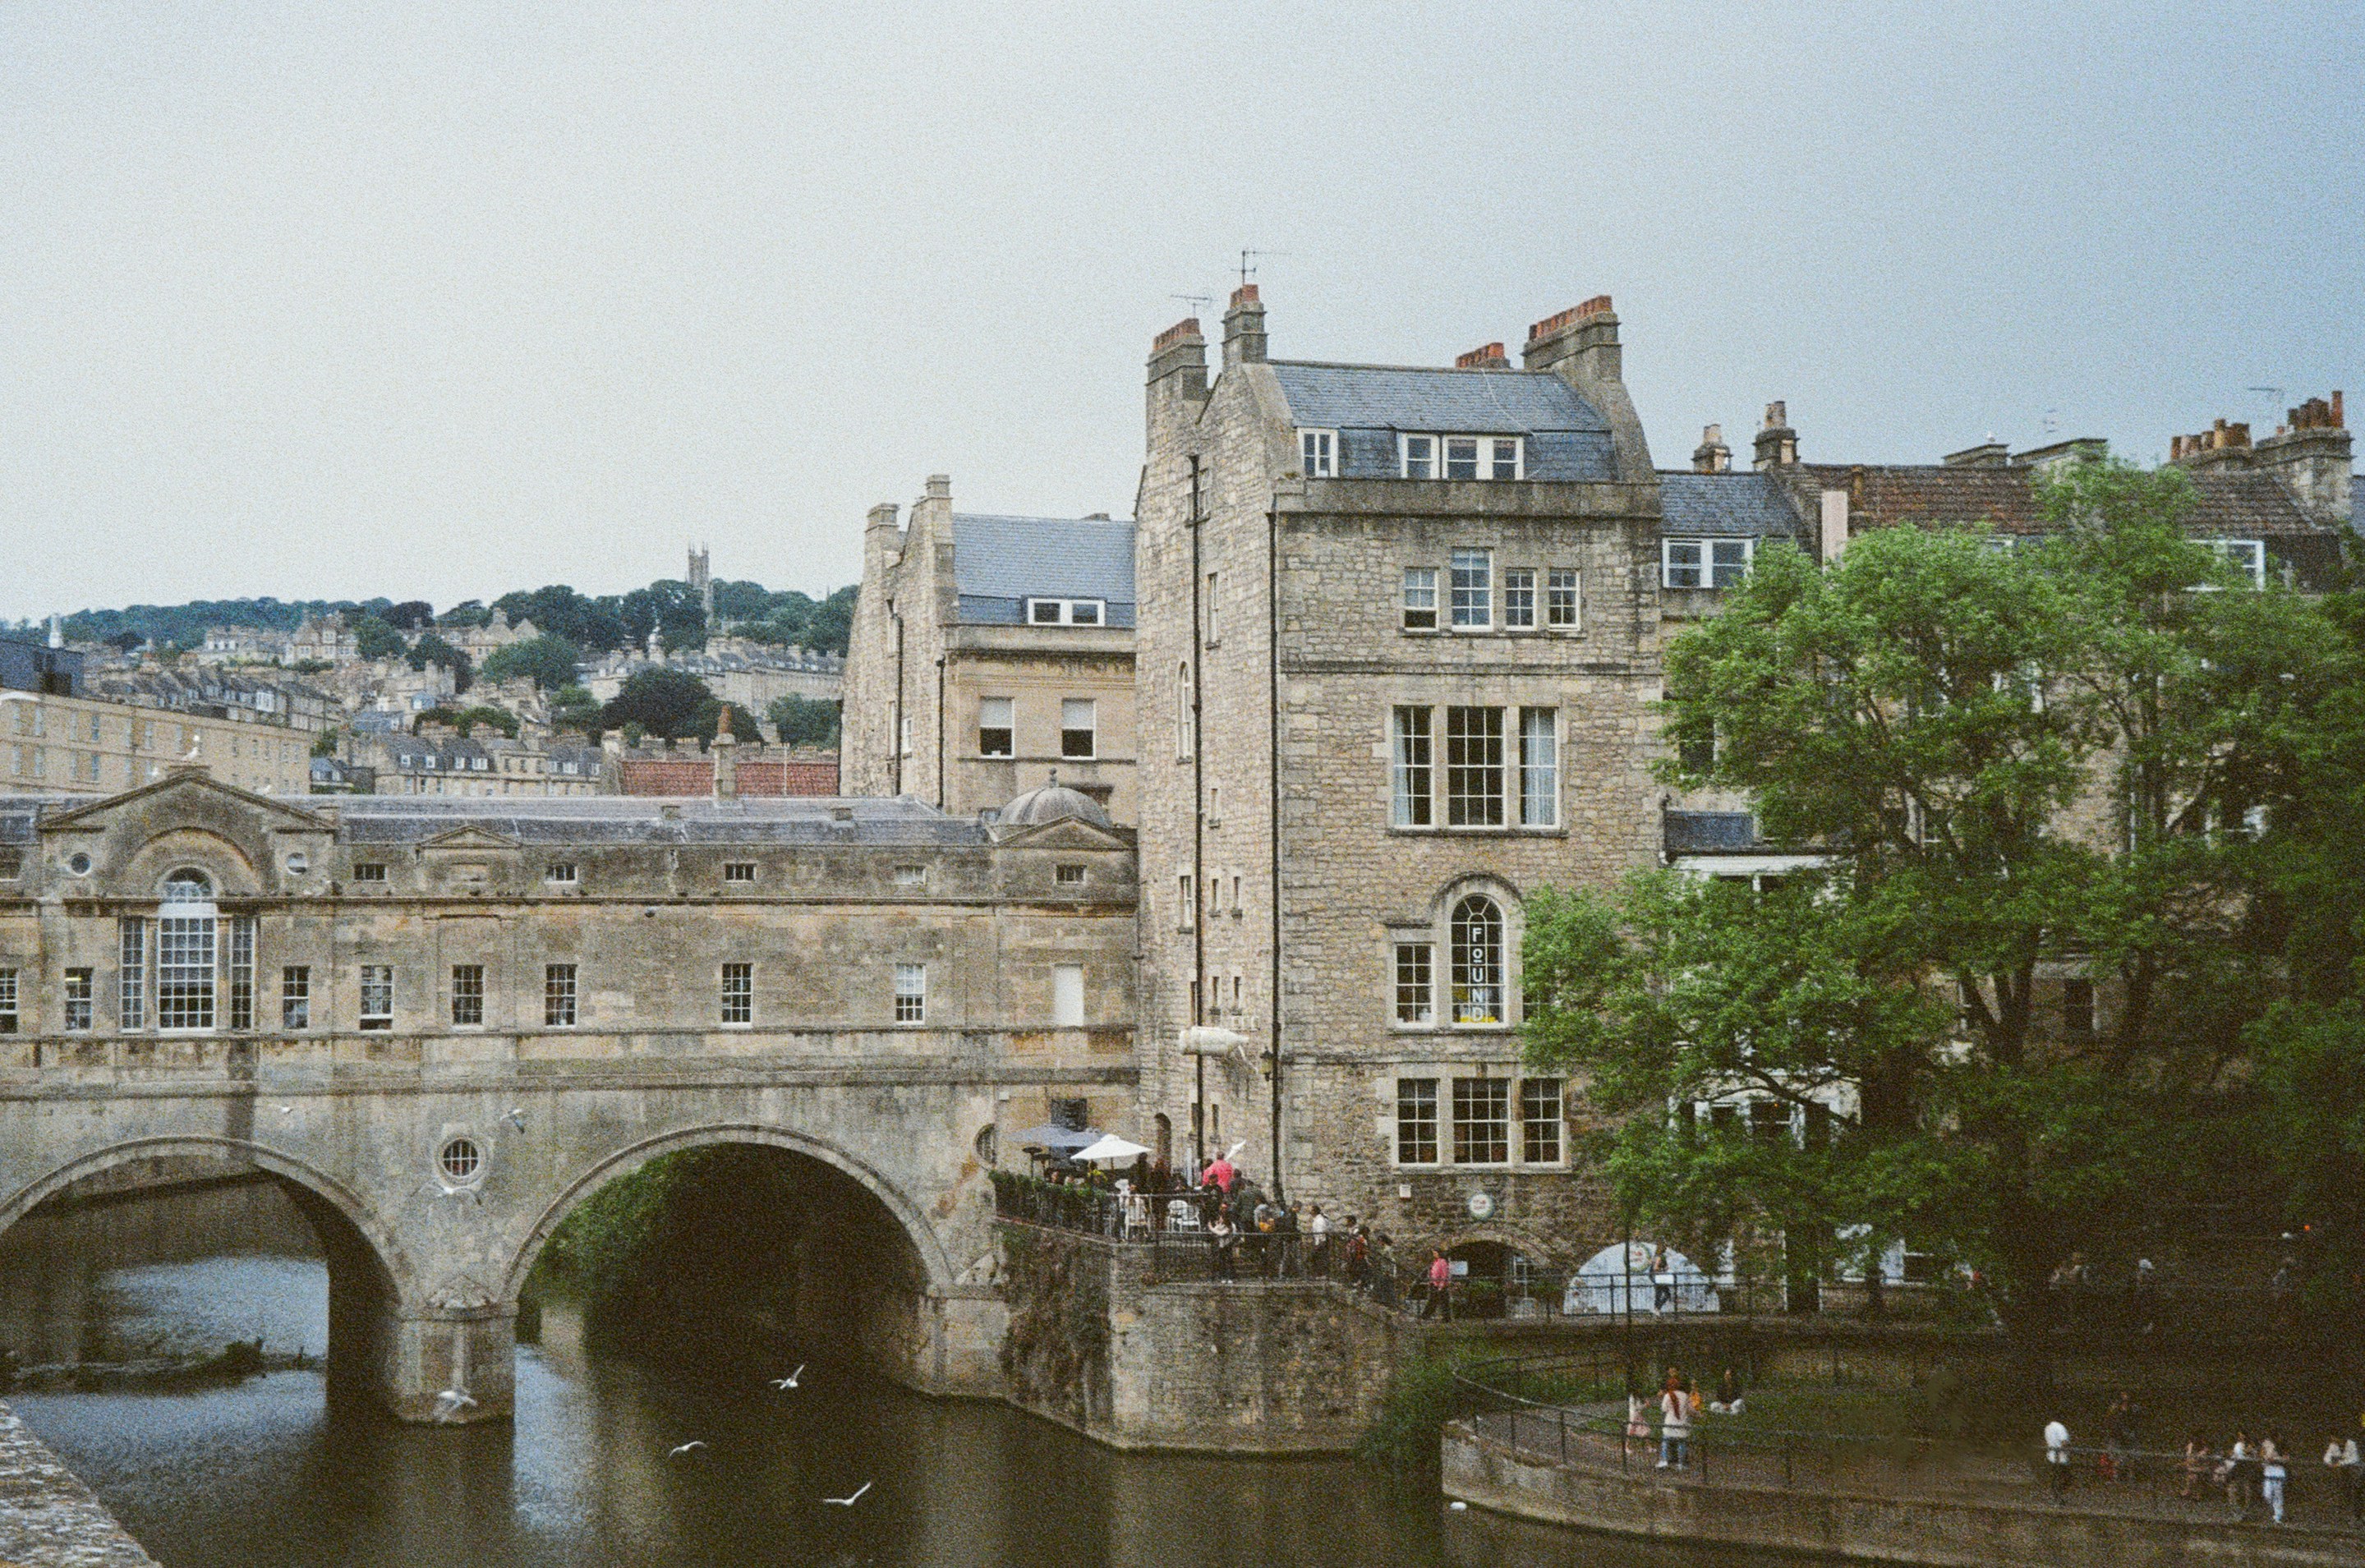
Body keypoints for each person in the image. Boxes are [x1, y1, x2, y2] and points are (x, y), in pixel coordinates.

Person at [2324, 1430, 2363, 1520]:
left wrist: (2340, 1463)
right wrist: (2330, 1463)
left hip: (2353, 1469)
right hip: (2342, 1470)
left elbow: (2354, 1459)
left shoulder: (2351, 1444)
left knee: (2355, 1487)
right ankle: (2343, 1504)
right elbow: (2327, 1457)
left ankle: (2355, 1509)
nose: (2333, 1440)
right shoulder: (2333, 1445)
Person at [1659, 1371, 1693, 1470]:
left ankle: (1664, 1461)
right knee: (1681, 1443)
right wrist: (1698, 1414)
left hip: (1669, 1423)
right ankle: (1681, 1463)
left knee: (1665, 1441)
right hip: (1681, 1423)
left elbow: (1663, 1409)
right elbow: (1690, 1410)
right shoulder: (1685, 1396)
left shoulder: (1667, 1396)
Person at [2224, 1430, 2255, 1520]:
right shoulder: (2238, 1446)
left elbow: (2253, 1456)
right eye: (2240, 1436)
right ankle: (2235, 1511)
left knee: (2246, 1490)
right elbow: (2241, 1455)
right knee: (2234, 1490)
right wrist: (2248, 1449)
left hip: (2246, 1470)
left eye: (2243, 1436)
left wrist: (2250, 1449)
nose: (2242, 1438)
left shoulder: (2249, 1446)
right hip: (2237, 1469)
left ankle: (2245, 1511)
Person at [2261, 1433, 2288, 1525]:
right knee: (2267, 1495)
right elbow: (2262, 1454)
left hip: (2279, 1472)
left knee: (2278, 1495)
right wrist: (2266, 1458)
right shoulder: (2267, 1444)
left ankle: (2277, 1516)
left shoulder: (2282, 1446)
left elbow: (2286, 1458)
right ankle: (2272, 1511)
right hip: (2269, 1471)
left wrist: (2277, 1459)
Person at [2045, 1418, 2073, 1501]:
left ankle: (2055, 1496)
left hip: (2051, 1456)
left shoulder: (2048, 1427)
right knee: (2067, 1478)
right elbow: (2064, 1442)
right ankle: (2060, 1496)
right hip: (2061, 1458)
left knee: (2055, 1477)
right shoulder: (2060, 1427)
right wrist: (2065, 1452)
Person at [1208, 1208, 1239, 1282]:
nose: (1220, 1219)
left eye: (1221, 1218)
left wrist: (1211, 1228)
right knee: (1222, 1262)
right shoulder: (1220, 1225)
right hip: (1221, 1245)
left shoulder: (1231, 1226)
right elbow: (1216, 1230)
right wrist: (1216, 1226)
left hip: (1228, 1245)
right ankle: (1223, 1277)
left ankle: (1230, 1277)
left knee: (1229, 1261)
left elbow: (1221, 1233)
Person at [2181, 1432, 2212, 1501]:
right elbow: (2188, 1455)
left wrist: (2182, 1464)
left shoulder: (2204, 1451)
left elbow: (2196, 1460)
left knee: (2195, 1476)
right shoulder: (2190, 1445)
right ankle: (2188, 1490)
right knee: (2190, 1475)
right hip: (2191, 1467)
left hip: (2201, 1468)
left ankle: (2198, 1494)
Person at [1426, 1248, 1454, 1322]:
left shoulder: (1443, 1262)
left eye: (1435, 1253)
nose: (1434, 1255)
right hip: (1434, 1284)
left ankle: (1446, 1318)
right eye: (1433, 1253)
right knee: (1433, 1300)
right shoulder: (1435, 1262)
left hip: (1441, 1285)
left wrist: (1441, 1285)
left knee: (1444, 1302)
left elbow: (1444, 1274)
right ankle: (1426, 1315)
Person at [1650, 1244, 1673, 1315]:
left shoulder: (1655, 1256)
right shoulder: (1661, 1257)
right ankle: (1657, 1308)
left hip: (1654, 1277)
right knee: (1666, 1294)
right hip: (1660, 1277)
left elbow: (1650, 1263)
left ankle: (1656, 1309)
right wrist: (1663, 1269)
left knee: (1659, 1293)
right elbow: (1656, 1268)